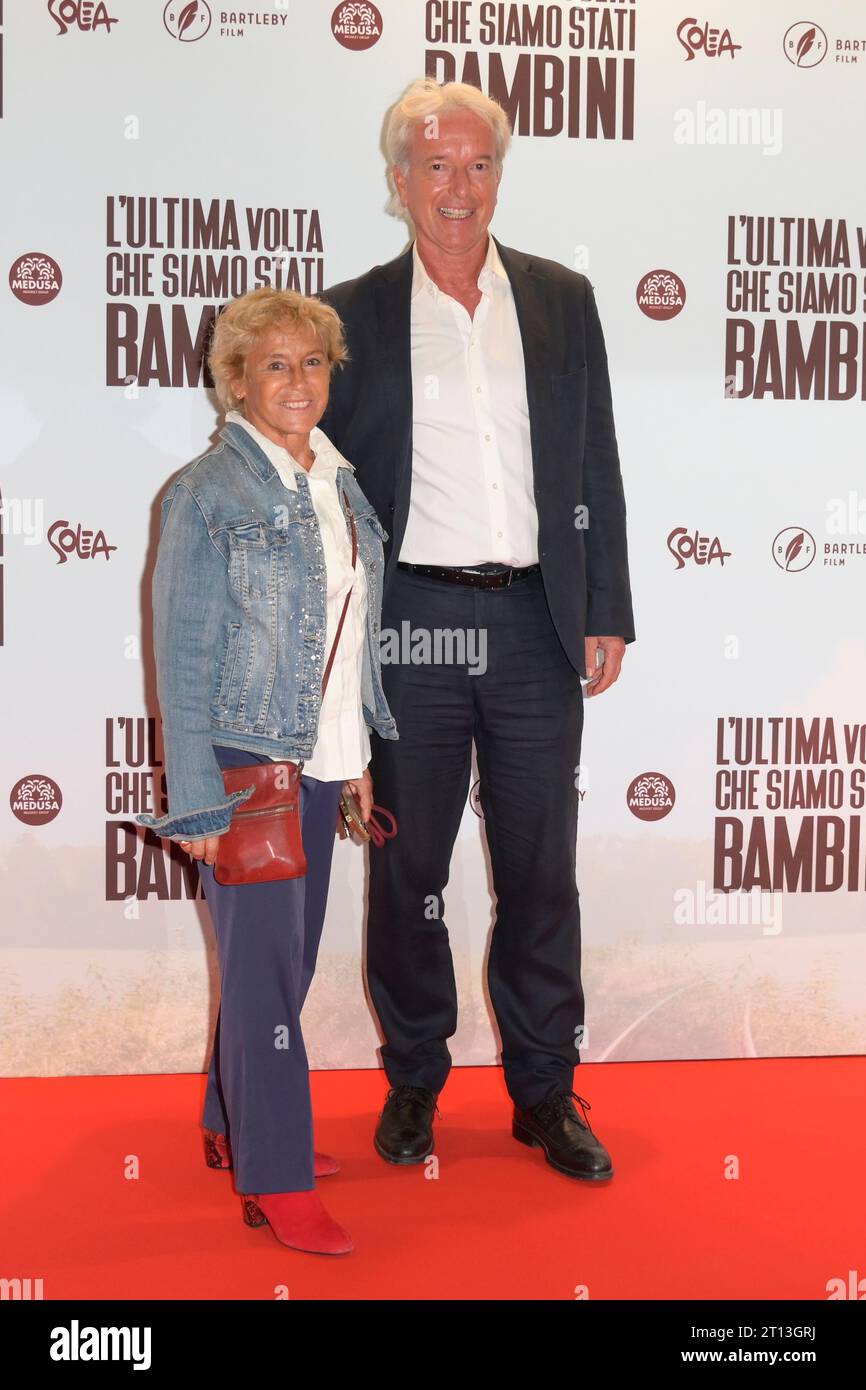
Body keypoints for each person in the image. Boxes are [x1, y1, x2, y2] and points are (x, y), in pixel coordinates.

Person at [319, 78, 635, 1181]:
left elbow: (593, 460)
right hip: (411, 622)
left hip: (538, 623)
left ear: (499, 175)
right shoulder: (350, 316)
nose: (457, 189)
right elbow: (324, 491)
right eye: (434, 166)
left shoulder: (560, 299)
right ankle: (414, 1077)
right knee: (409, 872)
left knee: (541, 867)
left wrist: (605, 605)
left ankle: (545, 1089)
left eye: (477, 165)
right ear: (397, 180)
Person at [136, 287, 397, 1252]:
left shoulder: (338, 481)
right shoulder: (207, 493)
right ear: (236, 380)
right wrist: (196, 792)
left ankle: (230, 1120)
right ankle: (276, 1174)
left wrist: (358, 754)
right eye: (275, 364)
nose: (298, 381)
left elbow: (349, 637)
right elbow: (182, 652)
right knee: (260, 975)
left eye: (313, 362)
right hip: (245, 759)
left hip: (320, 757)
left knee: (276, 966)